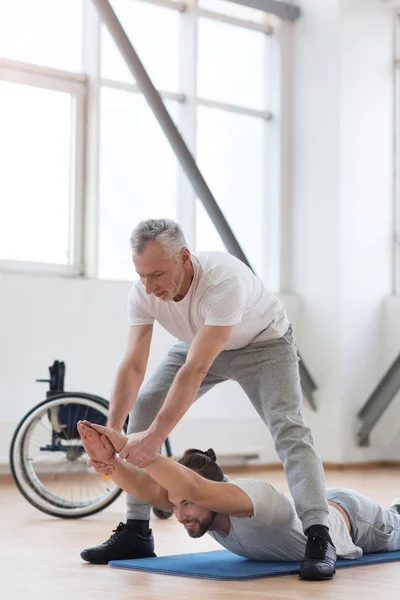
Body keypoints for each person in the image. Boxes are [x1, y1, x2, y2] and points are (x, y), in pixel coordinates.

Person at [80, 218, 335, 580]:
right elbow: (134, 365)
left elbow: (195, 369)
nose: (150, 287)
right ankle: (137, 531)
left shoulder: (222, 280)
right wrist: (112, 432)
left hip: (263, 344)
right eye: (141, 275)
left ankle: (319, 536)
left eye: (157, 274)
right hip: (201, 339)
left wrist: (153, 440)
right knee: (145, 406)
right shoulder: (143, 293)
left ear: (184, 257)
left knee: (288, 429)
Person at [78, 421, 400, 581]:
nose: (179, 515)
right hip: (320, 501)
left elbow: (195, 488)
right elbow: (153, 491)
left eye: (186, 505)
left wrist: (132, 448)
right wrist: (112, 464)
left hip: (359, 522)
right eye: (177, 506)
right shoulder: (197, 505)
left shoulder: (253, 497)